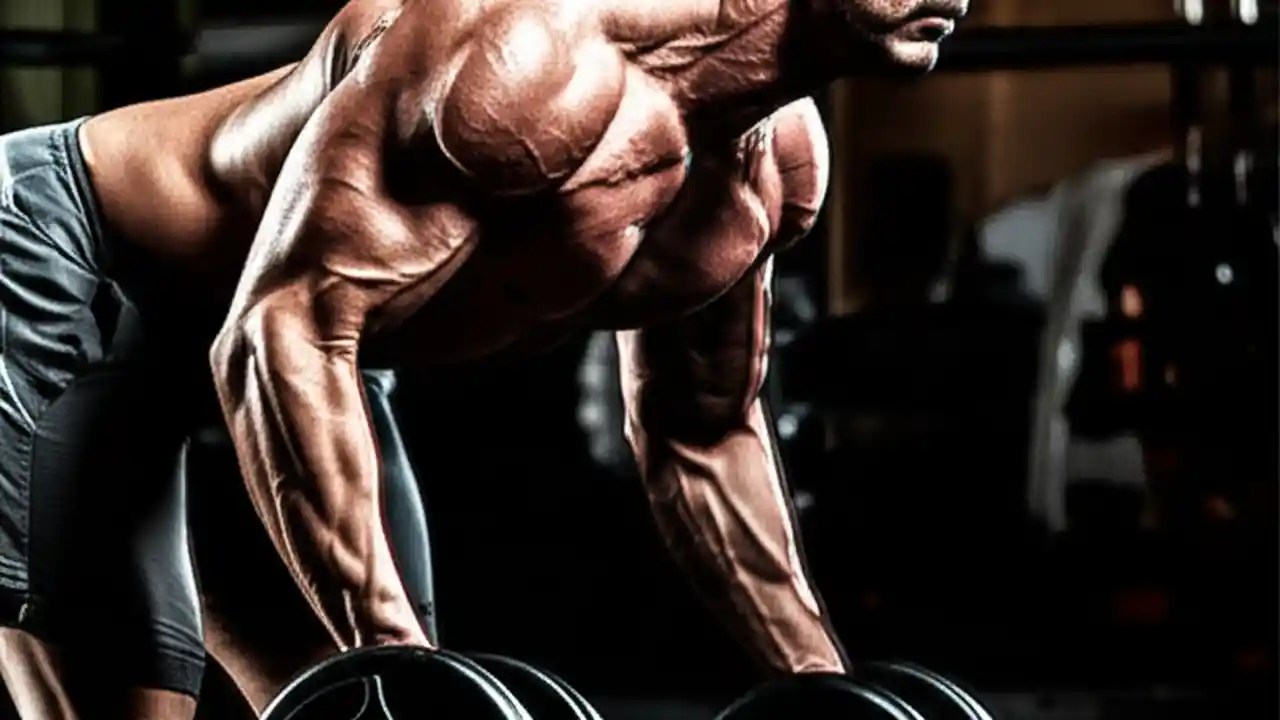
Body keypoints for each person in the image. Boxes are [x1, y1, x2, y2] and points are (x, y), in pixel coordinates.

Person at [0, 0, 966, 716]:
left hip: (298, 350)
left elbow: (700, 431)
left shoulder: (772, 171)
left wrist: (819, 687)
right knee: (152, 700)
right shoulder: (520, 65)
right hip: (86, 258)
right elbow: (279, 331)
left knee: (356, 704)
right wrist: (389, 653)